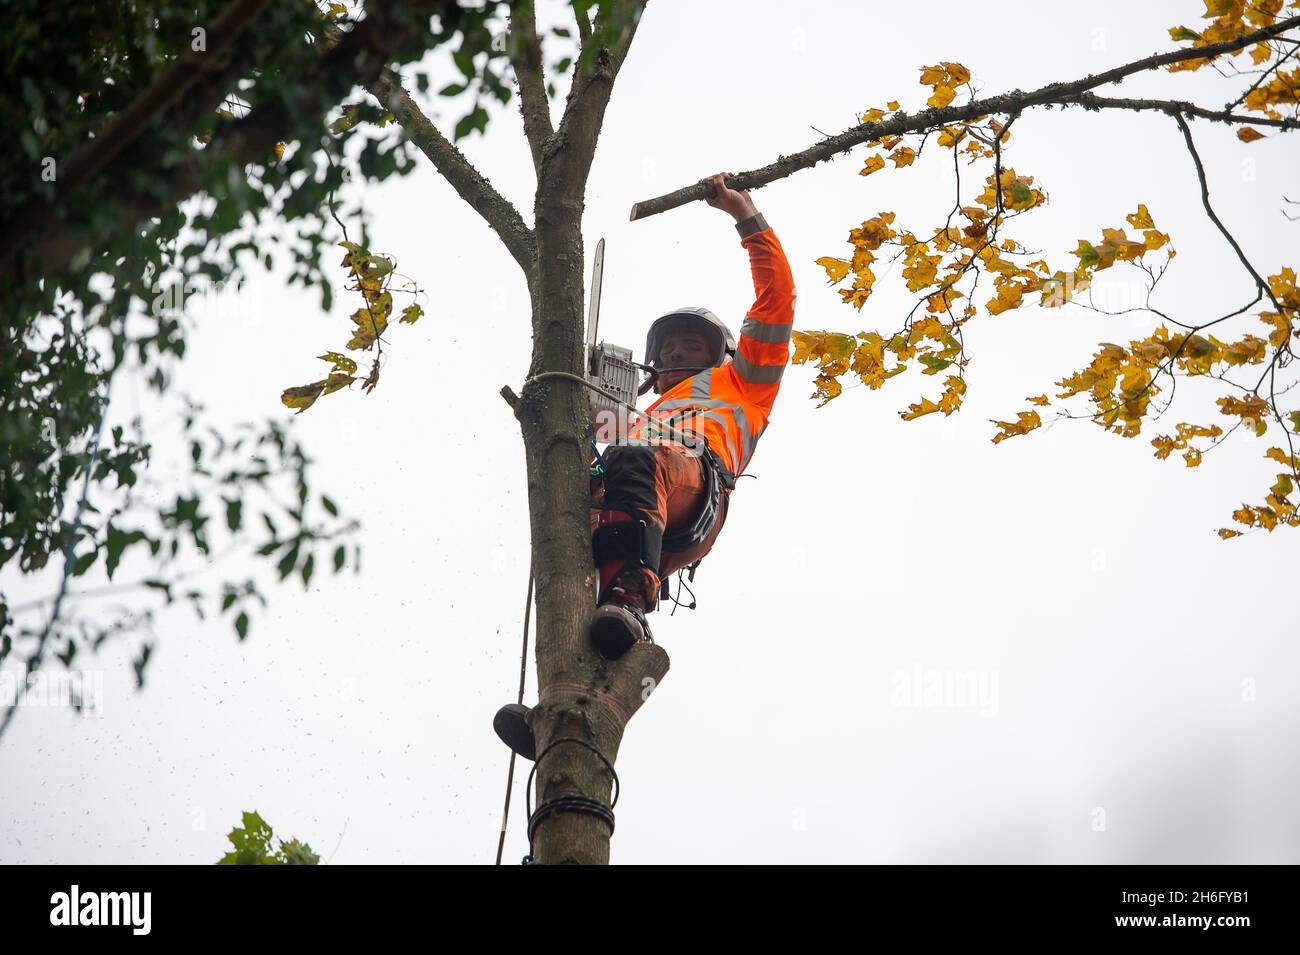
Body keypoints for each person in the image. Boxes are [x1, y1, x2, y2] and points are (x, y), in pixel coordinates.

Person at [493, 173, 796, 760]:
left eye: (691, 345)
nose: (678, 352)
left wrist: (746, 216)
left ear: (719, 353)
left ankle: (633, 597)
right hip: (639, 507)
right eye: (670, 347)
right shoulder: (639, 413)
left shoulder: (746, 381)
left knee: (636, 455)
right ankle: (562, 701)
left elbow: (776, 302)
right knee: (571, 518)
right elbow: (588, 454)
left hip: (693, 486)